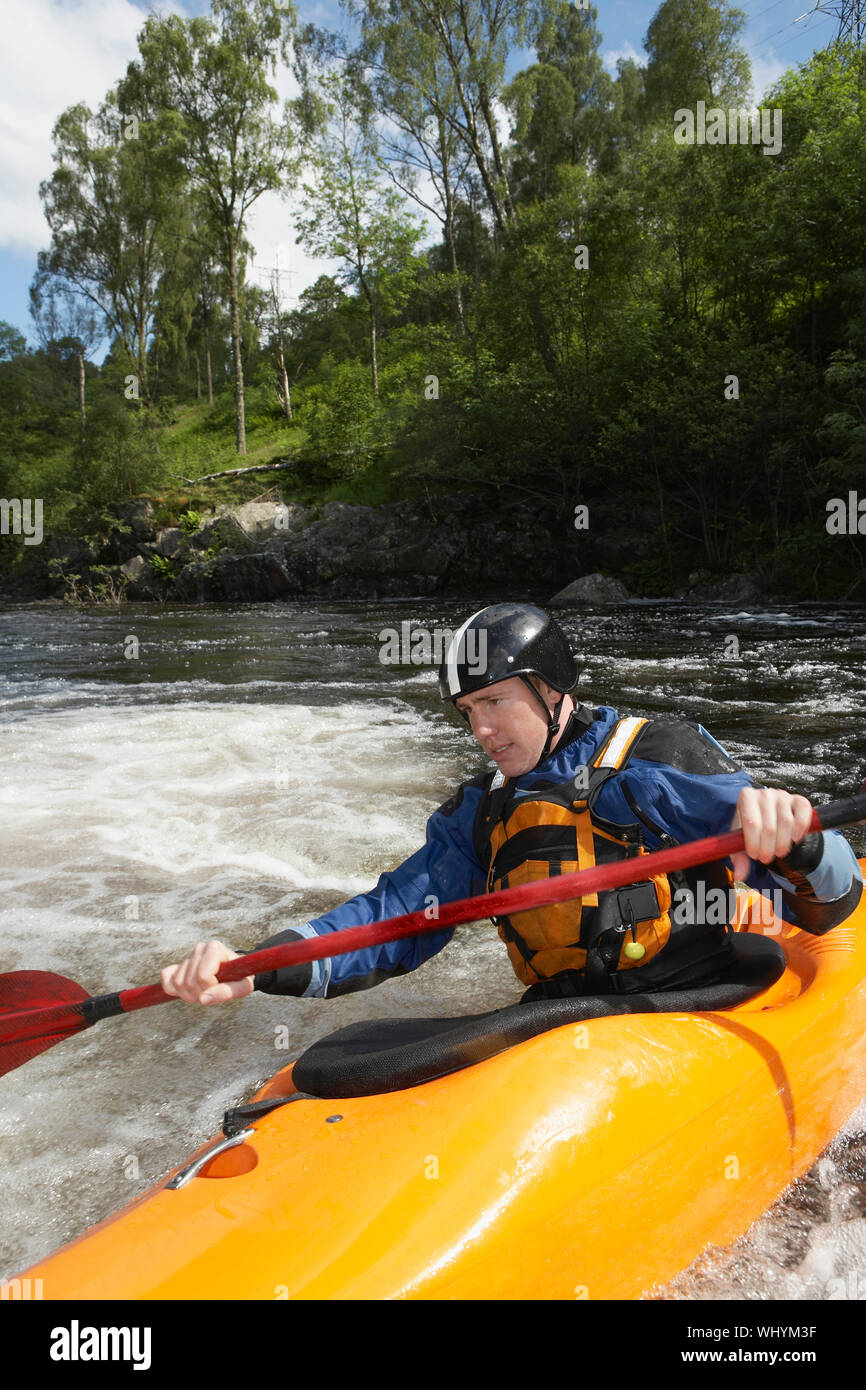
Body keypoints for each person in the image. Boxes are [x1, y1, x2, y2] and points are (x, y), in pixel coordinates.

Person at [161, 604, 863, 1008]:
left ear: (553, 691)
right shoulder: (481, 810)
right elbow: (393, 918)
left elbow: (830, 901)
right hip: (559, 1021)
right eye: (469, 710)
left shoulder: (657, 758)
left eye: (495, 701)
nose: (482, 730)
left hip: (688, 997)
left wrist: (797, 842)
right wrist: (259, 967)